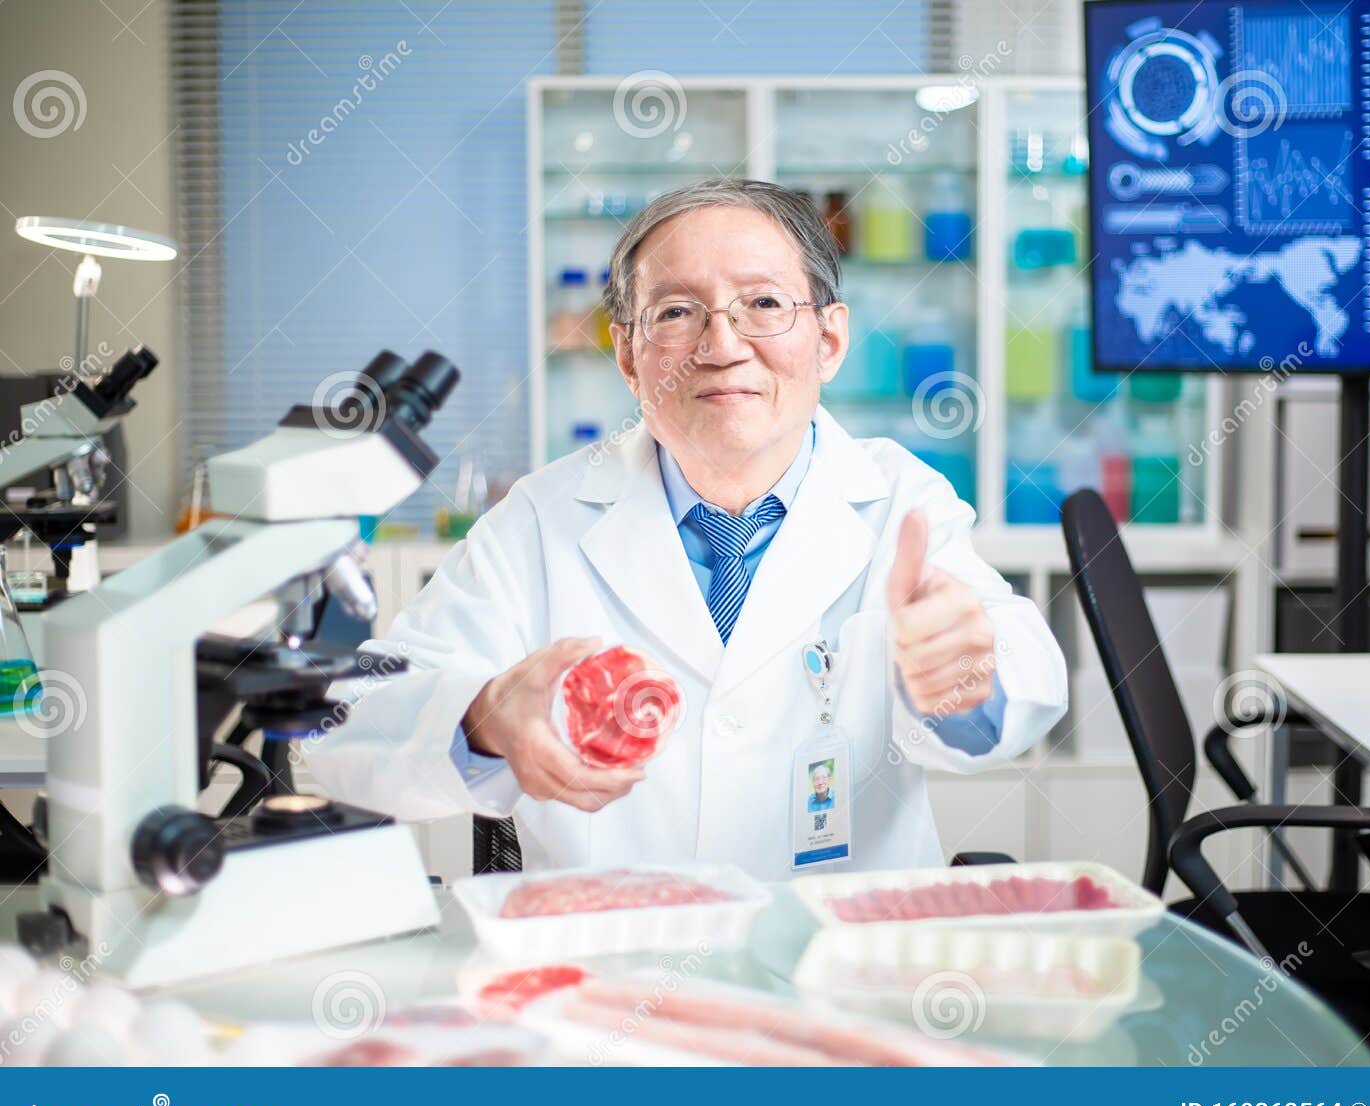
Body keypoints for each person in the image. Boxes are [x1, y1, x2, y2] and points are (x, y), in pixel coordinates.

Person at [305, 178, 1069, 880]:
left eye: (764, 304)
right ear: (629, 355)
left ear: (829, 340)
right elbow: (347, 729)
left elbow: (1026, 676)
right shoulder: (538, 520)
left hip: (841, 971)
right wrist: (482, 716)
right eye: (675, 312)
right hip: (611, 976)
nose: (722, 344)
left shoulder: (899, 498)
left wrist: (966, 675)